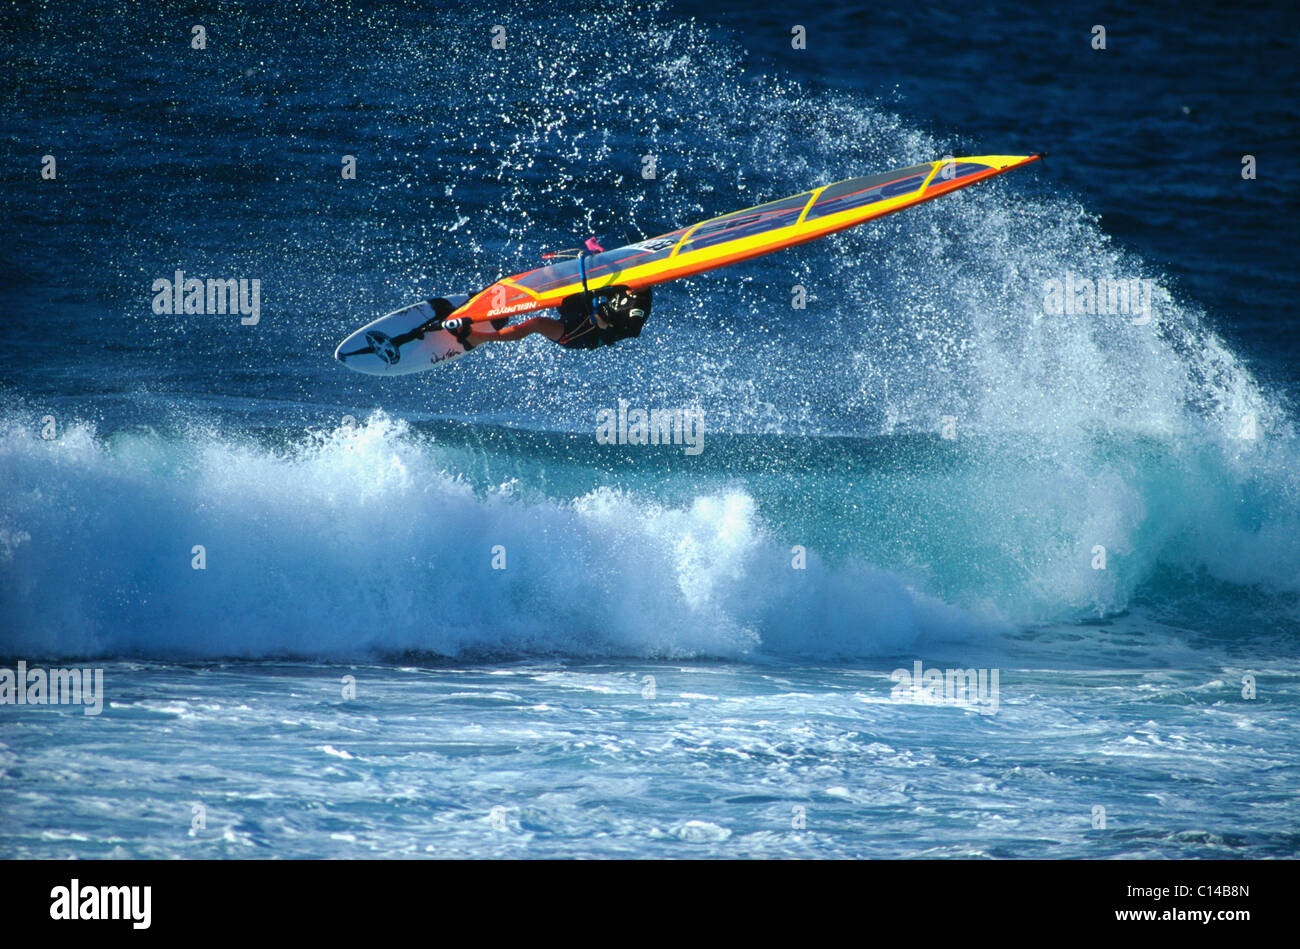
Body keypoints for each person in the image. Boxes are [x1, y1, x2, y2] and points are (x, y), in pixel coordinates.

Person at [441, 287, 652, 351]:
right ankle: (498, 310)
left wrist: (604, 326)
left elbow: (632, 332)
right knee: (563, 294)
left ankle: (479, 337)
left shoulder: (639, 305)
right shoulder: (626, 284)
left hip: (585, 334)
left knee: (537, 324)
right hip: (586, 314)